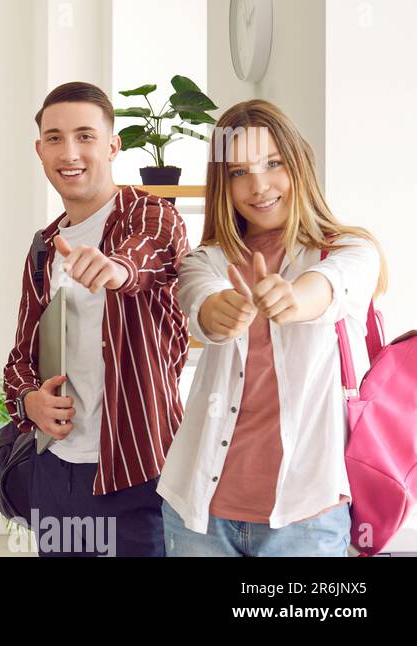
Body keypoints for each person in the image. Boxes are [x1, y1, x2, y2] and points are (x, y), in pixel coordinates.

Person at [158, 99, 387, 557]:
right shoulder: (207, 260)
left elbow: (326, 289)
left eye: (273, 163)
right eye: (239, 172)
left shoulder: (351, 251)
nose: (258, 185)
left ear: (297, 164)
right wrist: (219, 311)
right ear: (223, 184)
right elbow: (202, 300)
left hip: (307, 516)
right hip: (198, 515)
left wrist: (292, 298)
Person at [3, 82, 190, 557]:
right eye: (55, 138)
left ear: (112, 145)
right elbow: (20, 360)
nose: (70, 152)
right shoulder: (44, 247)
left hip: (137, 474)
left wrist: (113, 269)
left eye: (86, 136)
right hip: (56, 477)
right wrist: (29, 402)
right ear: (39, 150)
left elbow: (143, 260)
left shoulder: (151, 217)